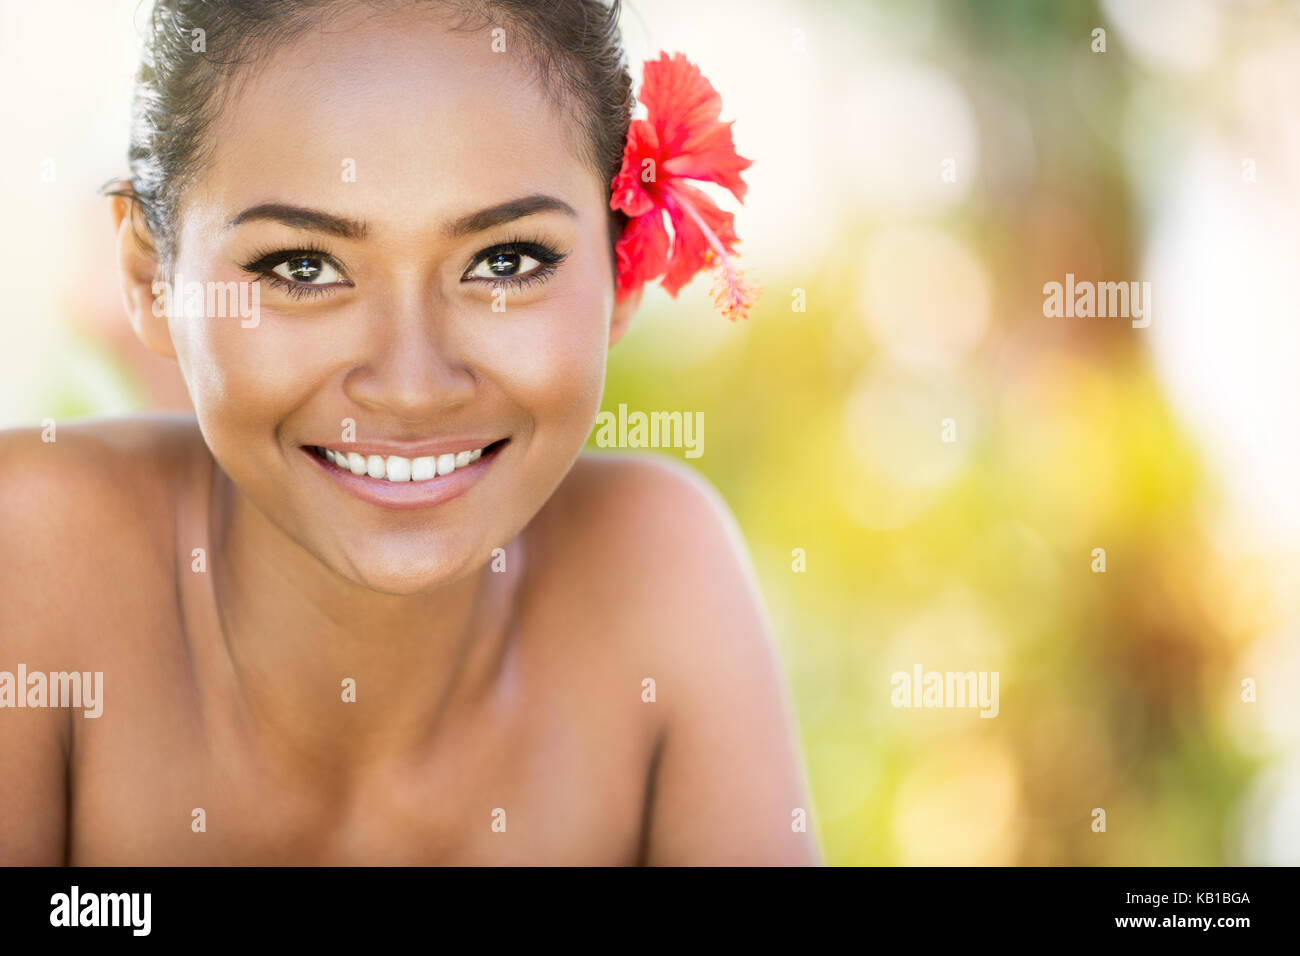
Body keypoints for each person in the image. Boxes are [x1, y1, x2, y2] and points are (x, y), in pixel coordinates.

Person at [0, 0, 818, 865]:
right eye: (302, 267)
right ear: (150, 280)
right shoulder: (32, 555)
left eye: (505, 262)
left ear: (623, 268)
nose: (412, 386)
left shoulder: (661, 572)